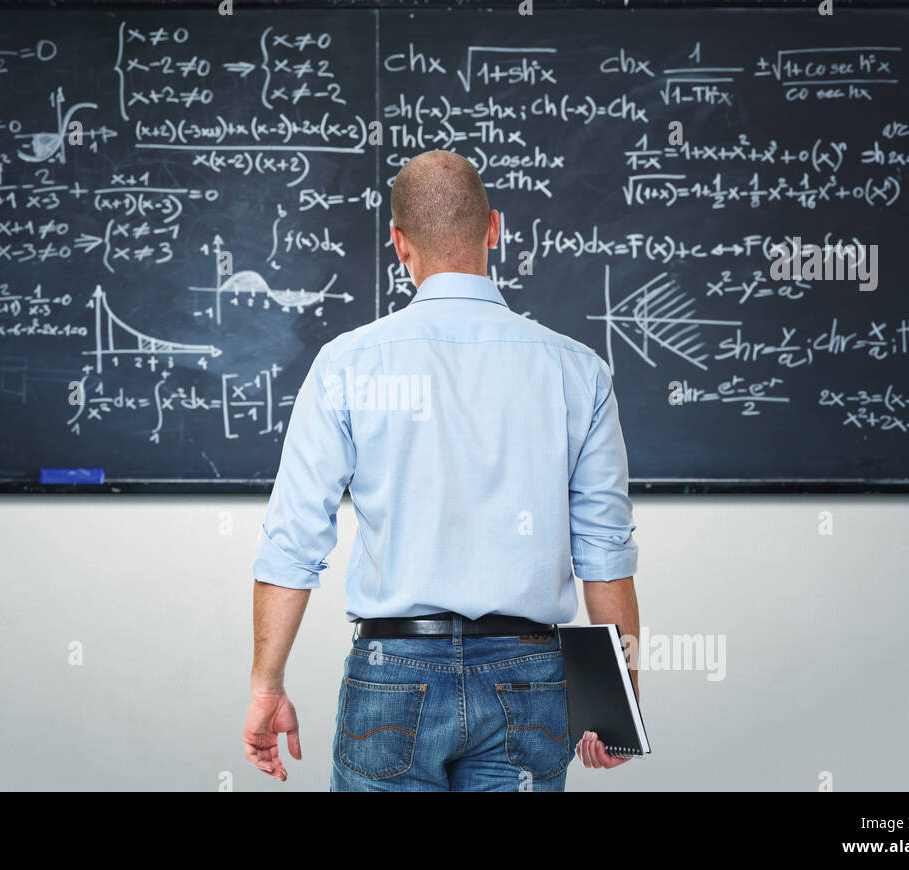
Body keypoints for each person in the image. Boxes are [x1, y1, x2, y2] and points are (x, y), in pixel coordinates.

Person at [242, 149, 640, 791]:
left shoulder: (347, 364)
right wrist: (621, 700)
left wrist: (267, 685)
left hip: (392, 673)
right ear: (494, 229)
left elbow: (293, 540)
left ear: (399, 242)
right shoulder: (577, 370)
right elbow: (605, 550)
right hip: (528, 677)